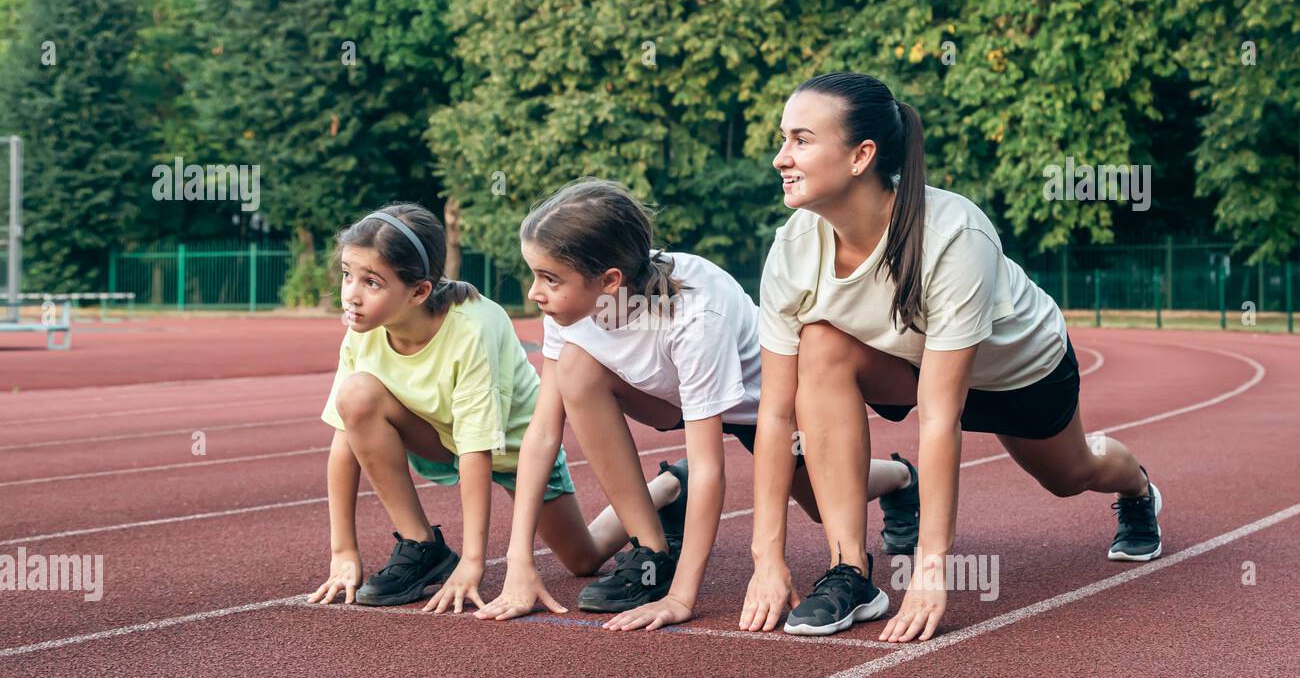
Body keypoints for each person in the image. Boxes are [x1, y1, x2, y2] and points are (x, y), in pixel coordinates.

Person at [742, 71, 1162, 640]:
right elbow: (774, 413)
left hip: (1020, 374)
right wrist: (767, 559)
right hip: (909, 364)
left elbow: (942, 416)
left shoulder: (954, 234)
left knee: (1071, 474)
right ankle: (850, 572)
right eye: (783, 139)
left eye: (801, 139)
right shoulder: (794, 248)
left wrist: (931, 569)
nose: (780, 158)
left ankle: (1137, 488)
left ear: (862, 155)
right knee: (821, 343)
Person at [476, 178, 916, 631]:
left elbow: (709, 466)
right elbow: (544, 434)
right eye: (535, 274)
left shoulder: (694, 315)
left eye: (549, 278)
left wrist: (682, 600)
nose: (534, 292)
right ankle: (652, 551)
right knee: (574, 368)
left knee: (824, 504)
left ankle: (900, 477)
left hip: (759, 407)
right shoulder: (570, 310)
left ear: (609, 281)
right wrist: (518, 562)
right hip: (668, 398)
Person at [307, 203, 581, 613]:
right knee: (356, 396)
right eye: (348, 275)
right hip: (441, 438)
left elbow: (478, 449)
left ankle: (668, 489)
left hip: (518, 449)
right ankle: (422, 546)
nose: (351, 295)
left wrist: (474, 563)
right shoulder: (362, 329)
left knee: (585, 558)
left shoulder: (472, 329)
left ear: (419, 291)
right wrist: (343, 551)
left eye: (372, 282)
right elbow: (344, 440)